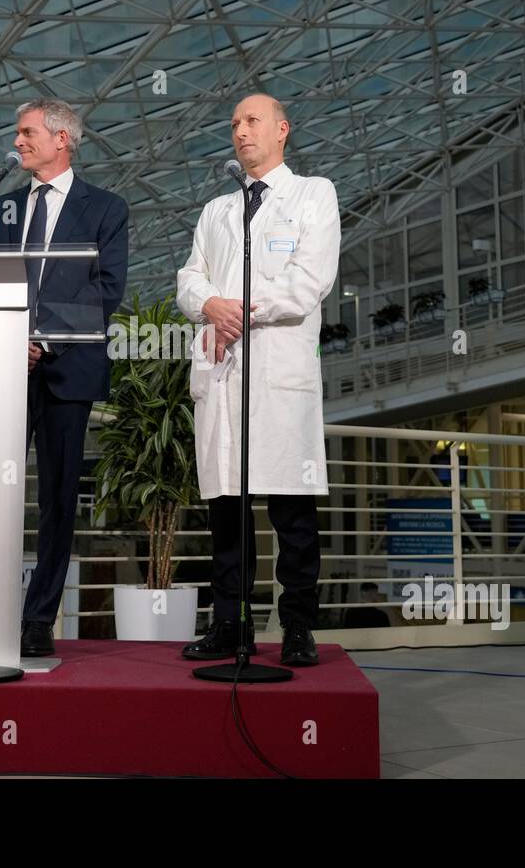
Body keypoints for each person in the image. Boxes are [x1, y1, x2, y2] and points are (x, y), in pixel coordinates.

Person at [0, 98, 129, 658]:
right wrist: (9, 341)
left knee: (56, 497)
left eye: (27, 132)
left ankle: (36, 620)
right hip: (4, 372)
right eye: (19, 132)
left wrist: (40, 339)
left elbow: (105, 289)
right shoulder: (2, 205)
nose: (19, 142)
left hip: (65, 372)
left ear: (62, 139)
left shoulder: (106, 207)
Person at [176, 93, 340, 667]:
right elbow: (187, 280)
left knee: (291, 509)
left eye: (252, 122)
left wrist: (232, 311)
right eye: (235, 124)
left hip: (279, 373)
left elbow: (307, 283)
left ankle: (296, 627)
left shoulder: (313, 194)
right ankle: (231, 626)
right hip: (223, 372)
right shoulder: (217, 210)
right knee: (227, 508)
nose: (241, 132)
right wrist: (209, 305)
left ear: (282, 129)